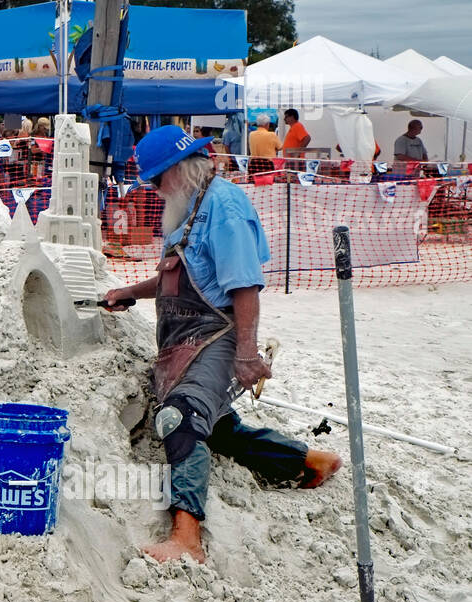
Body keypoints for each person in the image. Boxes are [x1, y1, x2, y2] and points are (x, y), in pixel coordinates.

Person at [103, 125, 341, 563]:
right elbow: (178, 277)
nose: (154, 191)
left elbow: (245, 287)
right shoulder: (188, 207)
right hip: (180, 339)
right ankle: (306, 461)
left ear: (177, 171)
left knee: (182, 417)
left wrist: (246, 354)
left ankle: (187, 537)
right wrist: (129, 293)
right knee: (216, 427)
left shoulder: (224, 206)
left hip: (216, 334)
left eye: (156, 181)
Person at [247, 112, 281, 177]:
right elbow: (279, 147)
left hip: (254, 164)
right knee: (268, 184)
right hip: (267, 164)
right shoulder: (271, 135)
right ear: (266, 124)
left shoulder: (251, 134)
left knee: (253, 183)